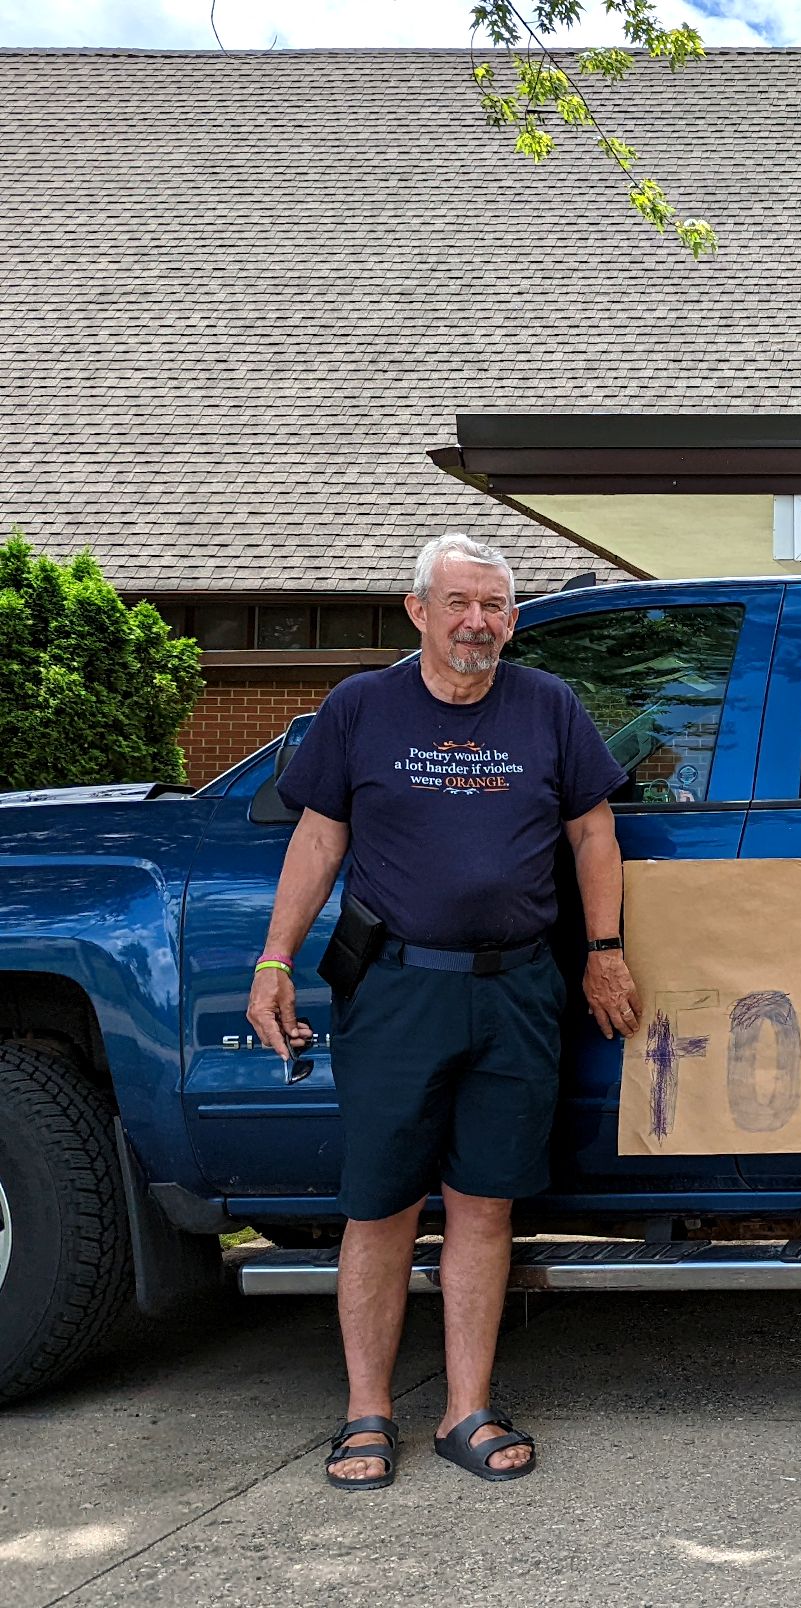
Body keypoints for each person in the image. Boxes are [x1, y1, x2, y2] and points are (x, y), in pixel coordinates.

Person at [246, 533, 642, 1489]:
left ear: (513, 617)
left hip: (518, 990)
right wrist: (274, 958)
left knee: (486, 1203)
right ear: (419, 610)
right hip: (396, 989)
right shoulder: (363, 709)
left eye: (496, 606)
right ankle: (365, 1413)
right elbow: (319, 835)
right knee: (380, 1206)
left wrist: (602, 952)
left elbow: (595, 833)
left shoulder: (548, 705)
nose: (478, 623)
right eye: (460, 603)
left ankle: (465, 1409)